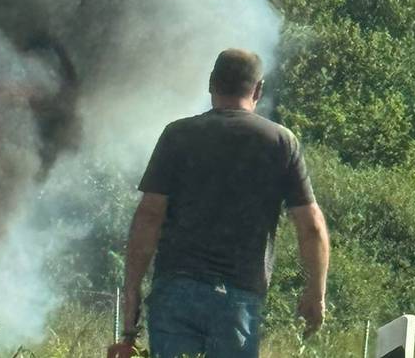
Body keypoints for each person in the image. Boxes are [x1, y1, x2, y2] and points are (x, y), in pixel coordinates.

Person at [113, 49, 330, 358]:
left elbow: (148, 216)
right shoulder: (281, 142)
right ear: (258, 89)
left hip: (176, 292)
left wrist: (132, 290)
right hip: (238, 299)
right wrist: (315, 292)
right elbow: (312, 227)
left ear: (211, 83)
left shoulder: (178, 135)